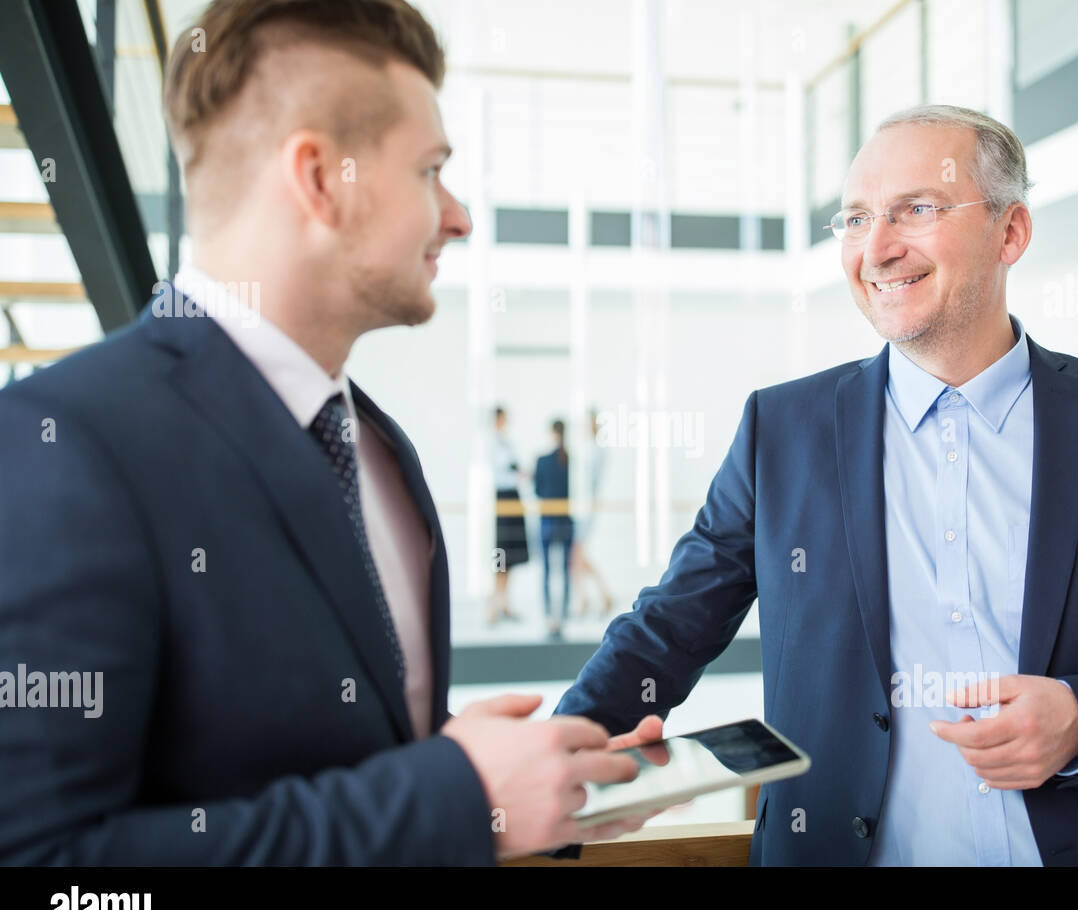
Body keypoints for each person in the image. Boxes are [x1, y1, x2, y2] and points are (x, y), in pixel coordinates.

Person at [555, 105, 1078, 865]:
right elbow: (665, 632)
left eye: (916, 209)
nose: (875, 248)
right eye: (853, 218)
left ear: (1010, 232)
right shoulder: (781, 431)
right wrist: (533, 787)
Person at [0, 0, 653, 865]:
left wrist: (532, 787)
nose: (458, 217)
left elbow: (341, 752)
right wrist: (456, 796)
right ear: (320, 179)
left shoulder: (378, 448)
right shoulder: (64, 446)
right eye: (430, 172)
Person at [489, 405, 529, 625]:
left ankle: (504, 604)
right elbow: (507, 465)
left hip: (513, 498)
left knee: (509, 558)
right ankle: (494, 606)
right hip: (503, 499)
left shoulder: (505, 440)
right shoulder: (493, 441)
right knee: (501, 556)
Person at [535, 419, 575, 640]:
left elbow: (538, 490)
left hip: (548, 521)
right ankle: (564, 614)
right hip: (566, 520)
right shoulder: (570, 460)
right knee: (566, 570)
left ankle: (550, 615)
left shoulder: (543, 460)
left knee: (548, 570)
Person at [571, 408, 612, 618]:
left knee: (576, 555)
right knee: (577, 557)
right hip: (582, 507)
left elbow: (587, 483)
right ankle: (591, 597)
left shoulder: (595, 450)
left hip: (584, 509)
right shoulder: (590, 449)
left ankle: (593, 597)